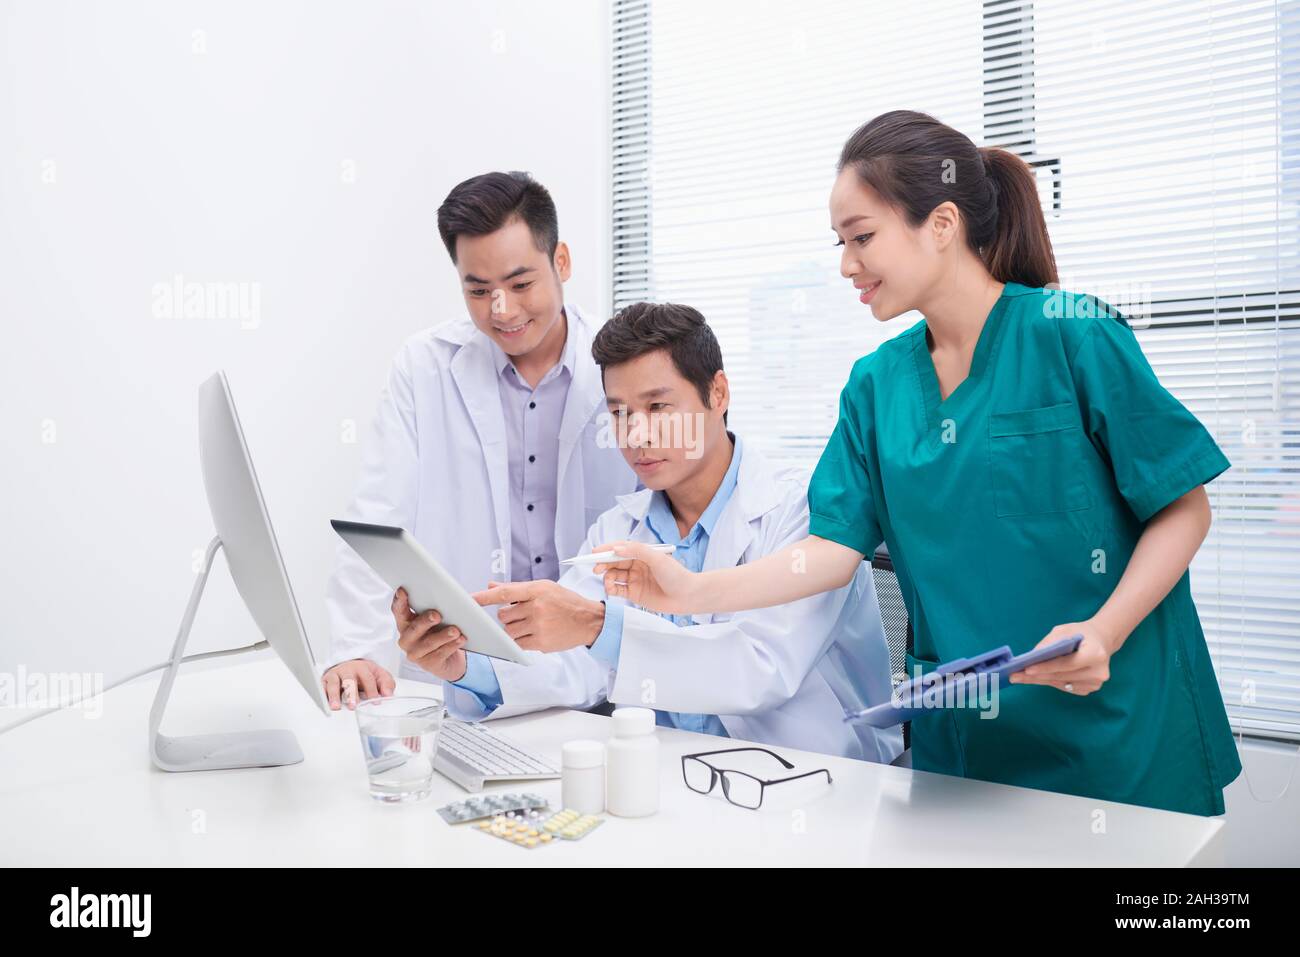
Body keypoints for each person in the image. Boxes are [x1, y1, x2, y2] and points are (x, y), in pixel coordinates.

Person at [590, 111, 1242, 816]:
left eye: (863, 237)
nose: (846, 264)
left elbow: (1183, 505)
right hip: (965, 752)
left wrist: (1105, 630)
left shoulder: (1073, 333)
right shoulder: (876, 387)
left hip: (1118, 735)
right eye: (840, 242)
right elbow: (828, 554)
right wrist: (689, 592)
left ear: (941, 224)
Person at [396, 302, 901, 763]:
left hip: (812, 779)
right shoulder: (619, 527)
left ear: (718, 393)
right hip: (672, 775)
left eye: (658, 407)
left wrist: (598, 626)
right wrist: (465, 666)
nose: (635, 435)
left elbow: (761, 671)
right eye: (618, 412)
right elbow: (577, 666)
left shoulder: (802, 512)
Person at [322, 171, 636, 708]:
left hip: (602, 677)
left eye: (520, 285)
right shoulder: (425, 367)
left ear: (561, 262)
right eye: (478, 290)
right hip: (472, 676)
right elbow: (377, 515)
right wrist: (357, 649)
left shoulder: (620, 367)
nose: (502, 310)